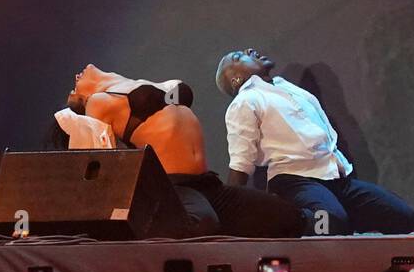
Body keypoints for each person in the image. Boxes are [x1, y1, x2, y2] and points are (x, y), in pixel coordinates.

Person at [51, 63, 302, 238]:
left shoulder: (134, 83)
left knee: (288, 216)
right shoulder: (99, 102)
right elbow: (100, 161)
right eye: (74, 94)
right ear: (84, 99)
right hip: (172, 187)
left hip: (206, 184)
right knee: (202, 225)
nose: (76, 80)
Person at [215, 48, 414, 235]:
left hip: (336, 179)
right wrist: (231, 214)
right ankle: (290, 219)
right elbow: (241, 161)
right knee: (333, 223)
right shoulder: (245, 101)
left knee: (403, 217)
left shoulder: (288, 88)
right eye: (238, 56)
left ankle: (337, 218)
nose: (249, 50)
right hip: (296, 181)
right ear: (236, 79)